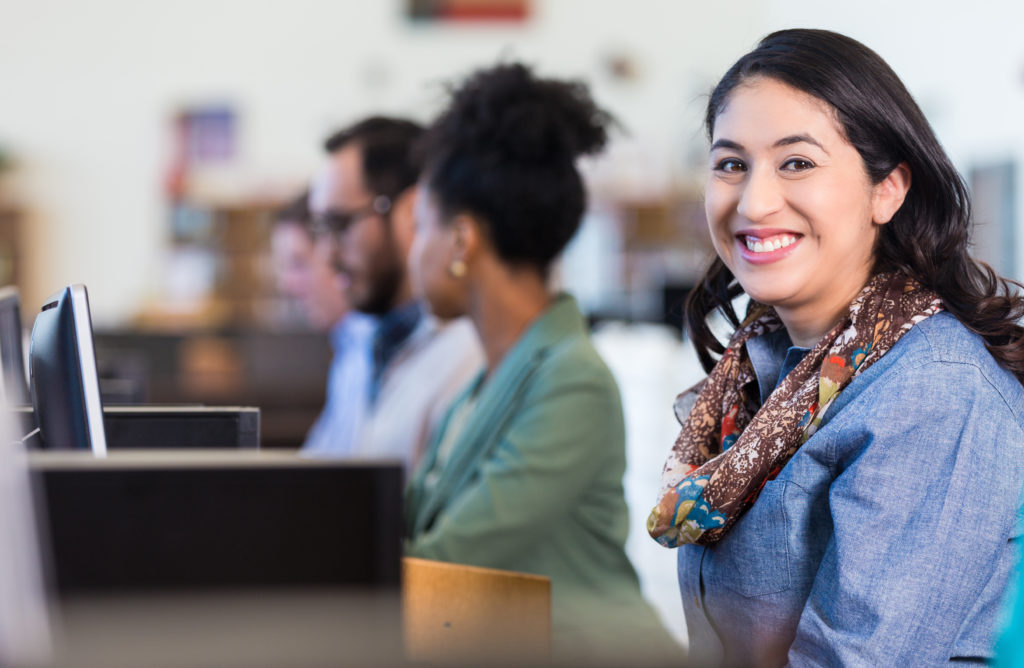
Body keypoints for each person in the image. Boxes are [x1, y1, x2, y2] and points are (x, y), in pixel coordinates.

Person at [646, 29, 1024, 666]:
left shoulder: (932, 390)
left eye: (797, 162)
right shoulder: (761, 368)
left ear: (888, 189)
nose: (754, 201)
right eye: (731, 163)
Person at [404, 63, 681, 664]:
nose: (412, 250)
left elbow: (448, 560)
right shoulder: (486, 382)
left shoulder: (570, 379)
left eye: (420, 225)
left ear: (459, 242)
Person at [309, 117, 483, 471]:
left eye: (340, 225)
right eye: (321, 229)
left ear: (411, 213)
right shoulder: (362, 342)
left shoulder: (468, 354)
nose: (327, 256)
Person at [270, 191, 375, 455]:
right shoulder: (349, 346)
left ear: (337, 252)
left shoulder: (371, 348)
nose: (287, 285)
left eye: (298, 264)